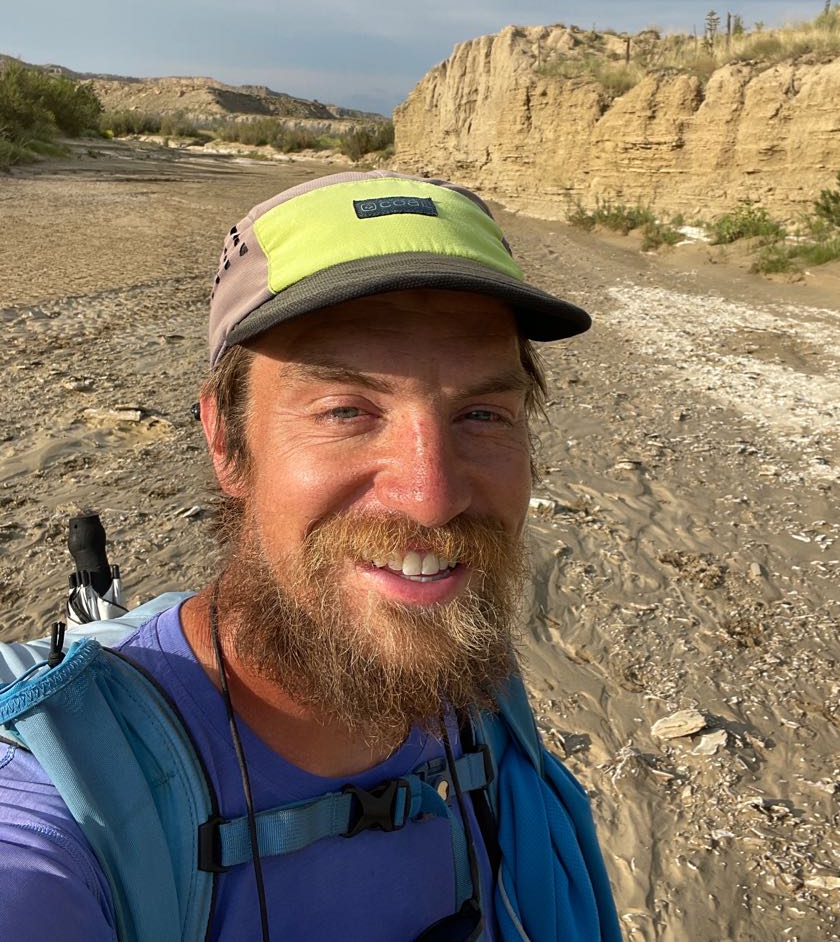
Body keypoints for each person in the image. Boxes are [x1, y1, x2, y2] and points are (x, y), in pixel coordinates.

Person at [0, 170, 620, 940]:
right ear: (227, 441)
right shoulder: (51, 810)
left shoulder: (475, 686)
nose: (432, 497)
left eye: (482, 412)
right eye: (345, 411)